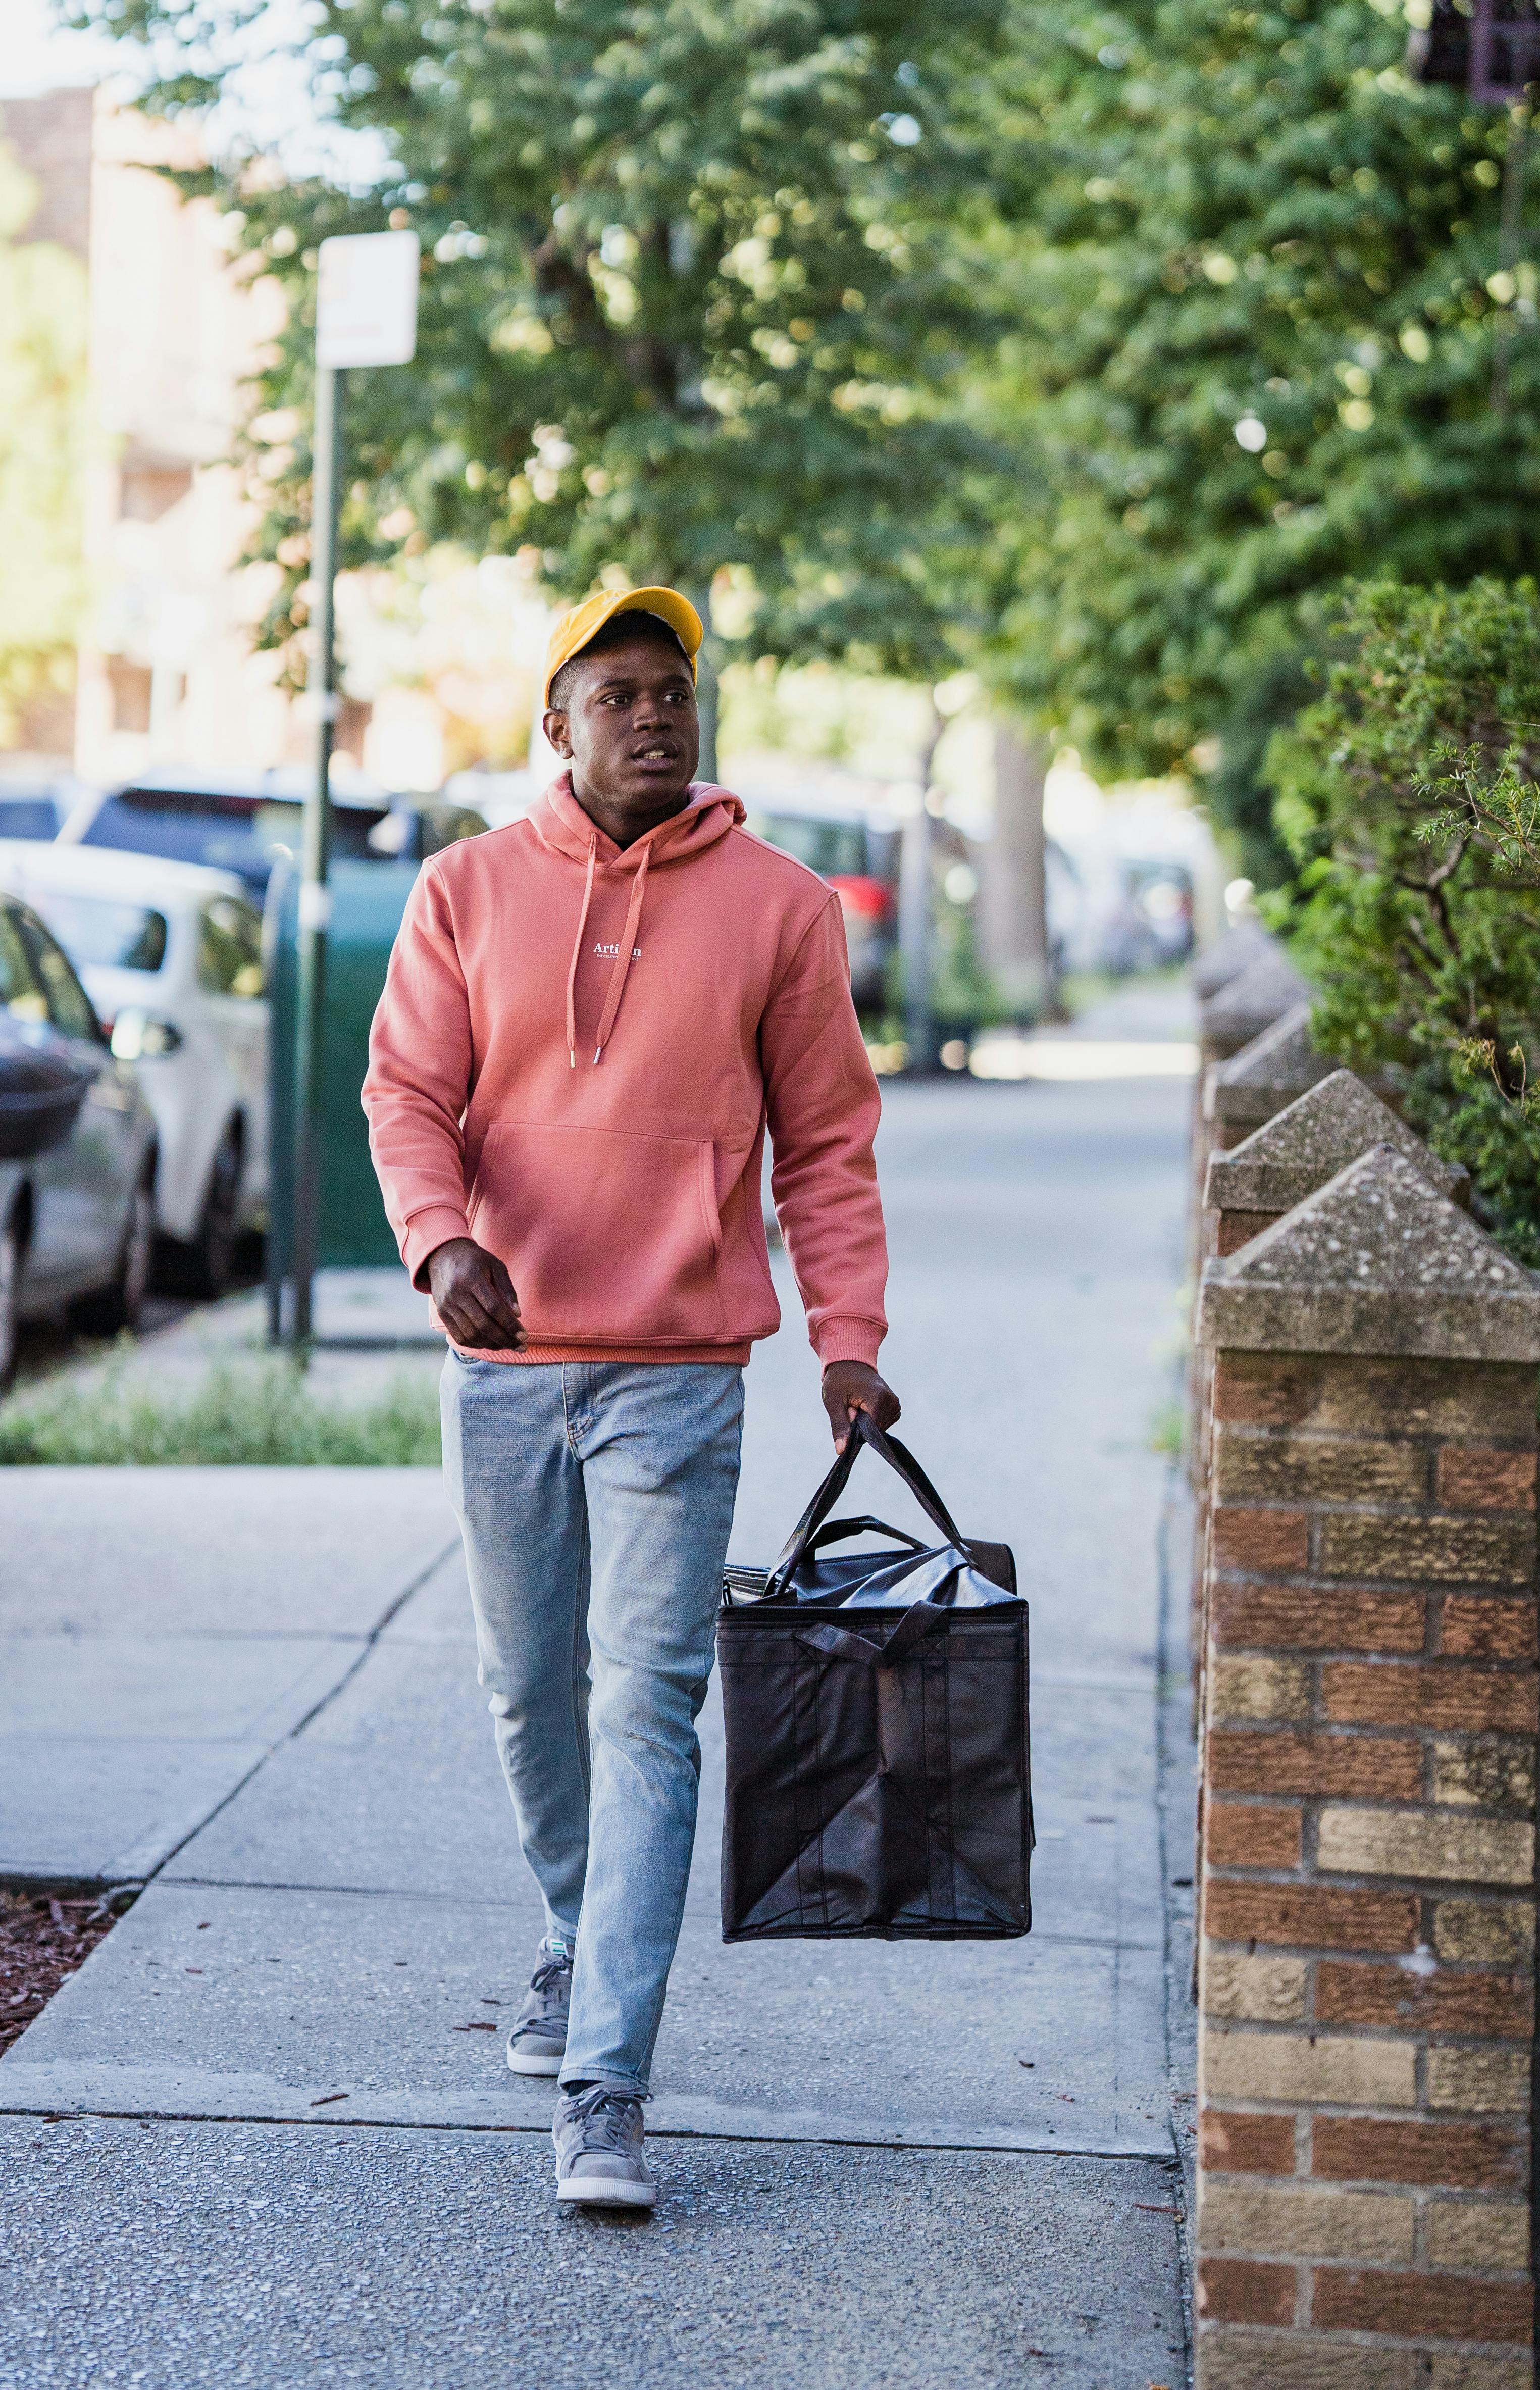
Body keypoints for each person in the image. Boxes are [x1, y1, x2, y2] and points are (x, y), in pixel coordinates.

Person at [363, 586, 897, 2209]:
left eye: (672, 691)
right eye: (618, 695)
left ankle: (608, 2080)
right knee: (531, 1690)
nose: (653, 715)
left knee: (642, 1701)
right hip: (508, 1365)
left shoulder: (782, 909)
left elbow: (825, 1144)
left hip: (679, 1375)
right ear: (558, 725)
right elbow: (407, 1093)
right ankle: (565, 1929)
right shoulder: (464, 891)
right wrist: (437, 1245)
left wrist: (848, 1337)